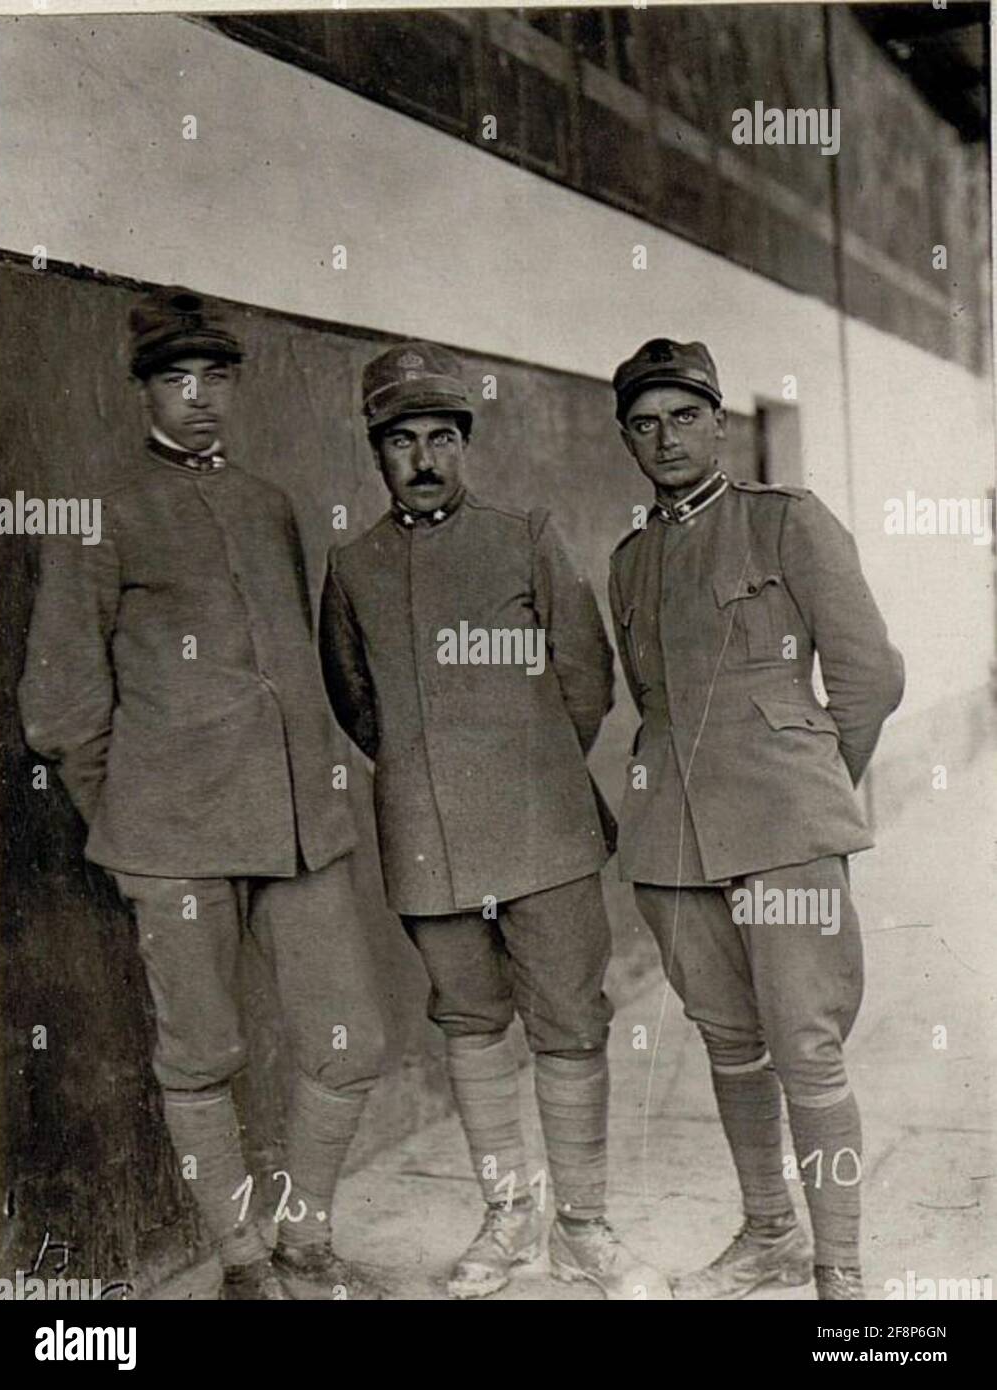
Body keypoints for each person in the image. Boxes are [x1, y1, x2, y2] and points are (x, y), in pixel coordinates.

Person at [19, 287, 385, 1300]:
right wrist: (134, 823)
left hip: (301, 828)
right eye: (174, 379)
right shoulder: (105, 514)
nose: (197, 399)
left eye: (214, 377)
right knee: (202, 1054)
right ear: (143, 389)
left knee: (351, 1038)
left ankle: (305, 1239)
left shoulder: (270, 505)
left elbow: (303, 667)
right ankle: (241, 1261)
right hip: (171, 839)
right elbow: (59, 704)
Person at [320, 340, 665, 1299]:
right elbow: (357, 703)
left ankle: (585, 1229)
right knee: (469, 1025)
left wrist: (531, 768)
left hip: (543, 830)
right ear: (377, 453)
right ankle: (510, 1219)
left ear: (464, 443)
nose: (424, 457)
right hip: (428, 846)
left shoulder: (524, 536)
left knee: (568, 1023)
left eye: (441, 436)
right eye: (401, 441)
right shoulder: (353, 566)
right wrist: (428, 775)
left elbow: (585, 678)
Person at [607, 337, 904, 1301]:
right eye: (645, 425)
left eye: (684, 417)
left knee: (806, 1048)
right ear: (627, 440)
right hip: (674, 842)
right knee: (729, 1044)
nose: (666, 439)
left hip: (784, 830)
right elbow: (650, 695)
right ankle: (768, 1231)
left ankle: (839, 1270)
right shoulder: (632, 559)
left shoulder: (786, 523)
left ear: (720, 424)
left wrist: (812, 790)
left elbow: (870, 675)